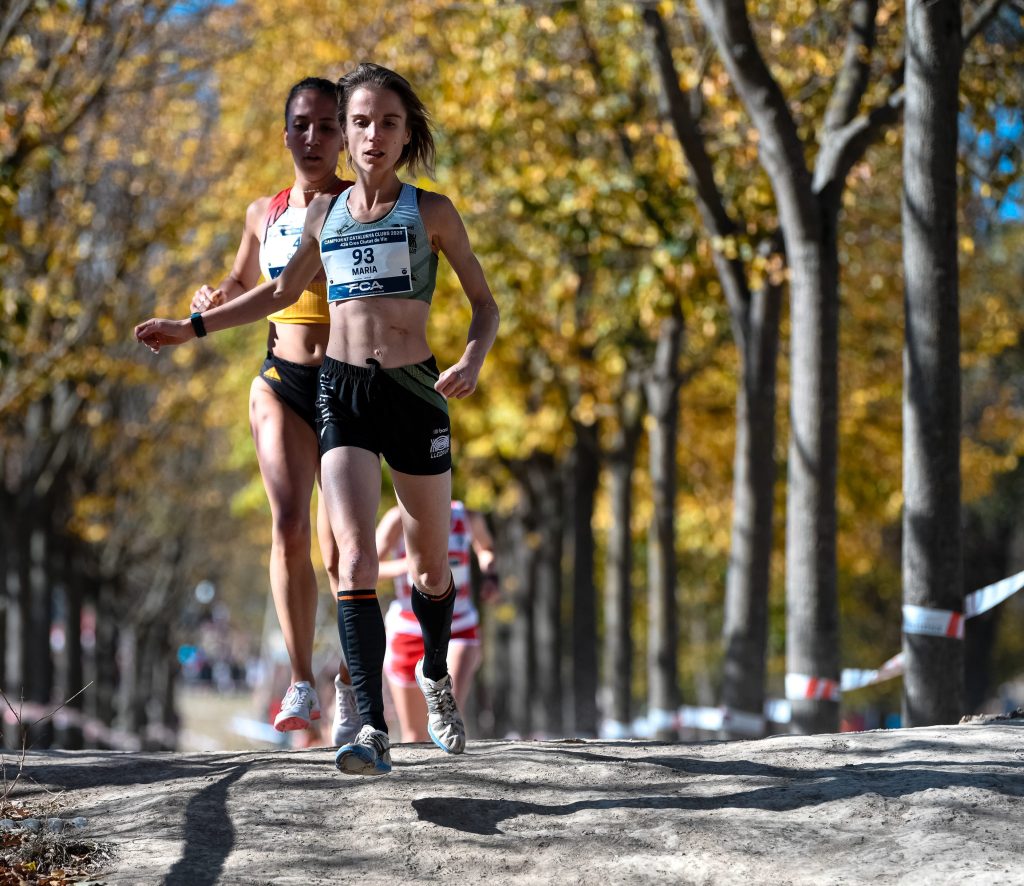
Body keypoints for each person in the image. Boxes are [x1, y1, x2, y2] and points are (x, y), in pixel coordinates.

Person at [135, 62, 500, 777]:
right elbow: (278, 292)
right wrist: (192, 327)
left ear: (406, 134)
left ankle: (434, 674)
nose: (372, 135)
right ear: (348, 134)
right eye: (360, 122)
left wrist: (473, 358)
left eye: (388, 122)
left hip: (416, 393)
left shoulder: (432, 212)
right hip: (343, 392)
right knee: (352, 558)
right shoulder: (321, 217)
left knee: (431, 570)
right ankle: (369, 726)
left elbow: (484, 304)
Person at [185, 76, 359, 747]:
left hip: (343, 385)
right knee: (287, 523)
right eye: (301, 125)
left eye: (326, 126)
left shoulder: (359, 204)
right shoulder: (263, 211)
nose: (312, 137)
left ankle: (350, 683)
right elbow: (243, 279)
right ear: (285, 134)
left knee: (341, 553)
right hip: (280, 381)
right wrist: (212, 295)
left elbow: (294, 285)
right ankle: (300, 682)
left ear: (343, 137)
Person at [376, 501, 498, 743]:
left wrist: (491, 575)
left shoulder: (467, 517)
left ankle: (453, 754)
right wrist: (411, 566)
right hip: (408, 628)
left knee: (448, 708)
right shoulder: (397, 519)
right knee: (415, 734)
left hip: (459, 623)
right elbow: (370, 567)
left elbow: (486, 548)